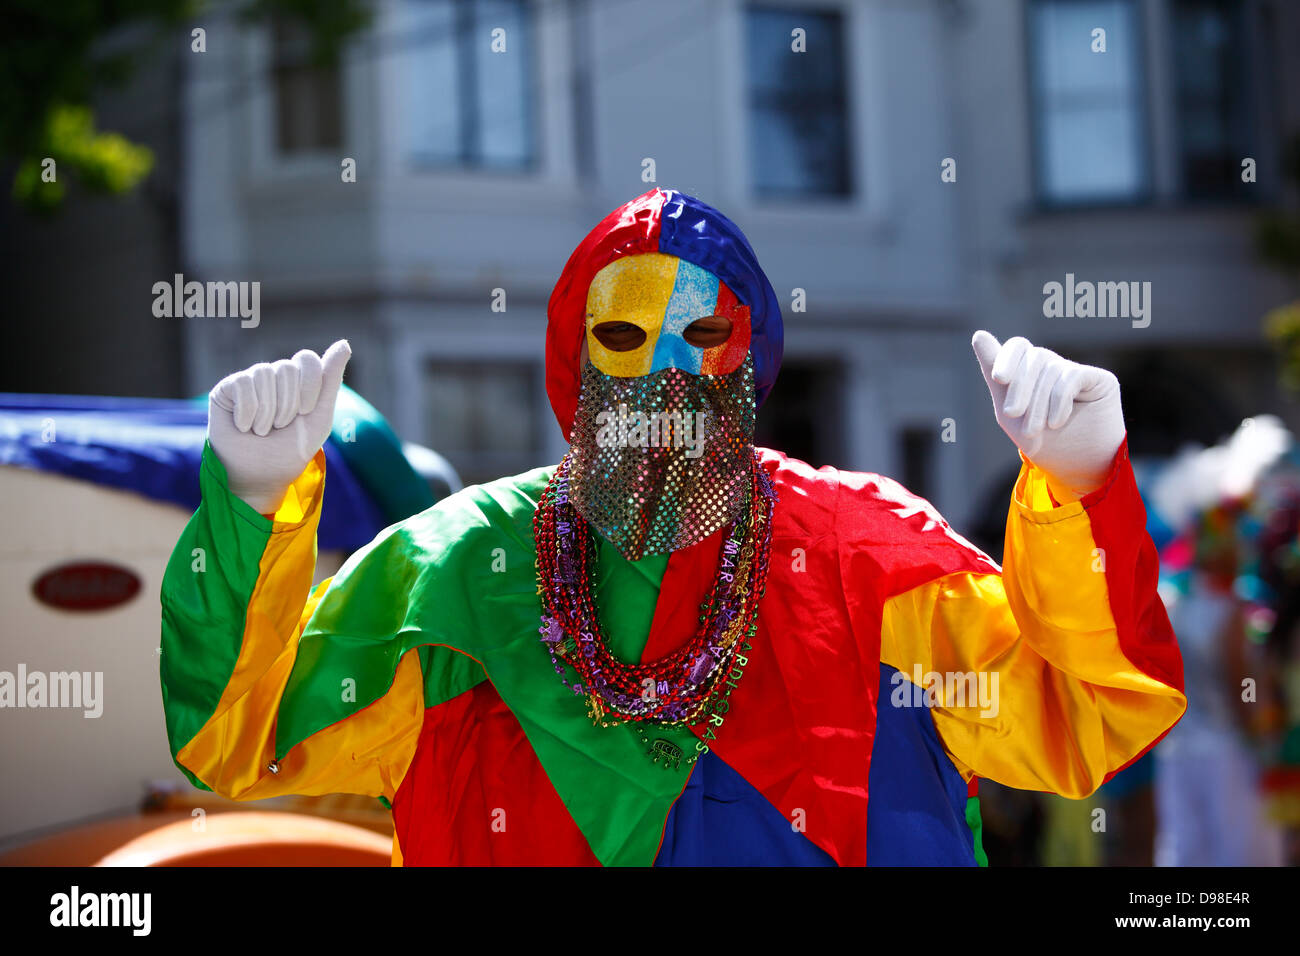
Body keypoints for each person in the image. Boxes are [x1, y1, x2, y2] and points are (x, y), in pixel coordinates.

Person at [159, 188, 1185, 866]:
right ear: (574, 360)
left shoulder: (865, 557)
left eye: (704, 333)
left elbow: (1084, 714)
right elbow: (237, 736)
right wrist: (250, 508)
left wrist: (1080, 486)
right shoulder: (454, 573)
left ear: (749, 360)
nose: (664, 371)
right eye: (623, 334)